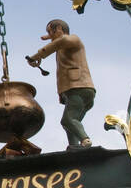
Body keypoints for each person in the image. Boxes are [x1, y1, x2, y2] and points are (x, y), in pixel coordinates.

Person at [26, 20, 95, 150]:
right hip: (75, 91)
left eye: (49, 32)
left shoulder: (73, 39)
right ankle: (74, 146)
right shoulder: (61, 47)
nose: (48, 35)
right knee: (71, 122)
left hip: (78, 88)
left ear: (58, 28)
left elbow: (61, 41)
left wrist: (37, 55)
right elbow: (57, 44)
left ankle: (85, 140)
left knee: (68, 120)